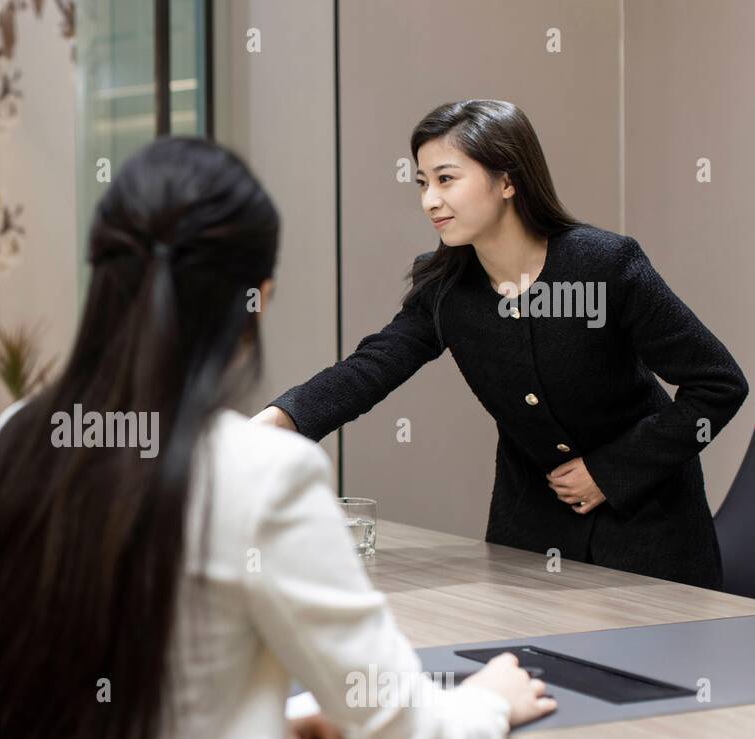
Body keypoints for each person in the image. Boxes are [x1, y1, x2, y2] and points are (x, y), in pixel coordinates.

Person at [0, 137, 554, 739]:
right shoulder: (262, 475)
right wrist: (489, 698)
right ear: (256, 298)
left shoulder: (20, 435)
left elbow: (85, 680)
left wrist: (250, 729)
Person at [255, 99, 749, 589]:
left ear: (507, 181)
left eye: (446, 179)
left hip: (652, 534)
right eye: (422, 183)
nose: (430, 201)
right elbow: (373, 365)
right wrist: (279, 421)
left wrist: (611, 471)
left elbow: (719, 385)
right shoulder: (445, 288)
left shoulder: (604, 264)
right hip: (530, 538)